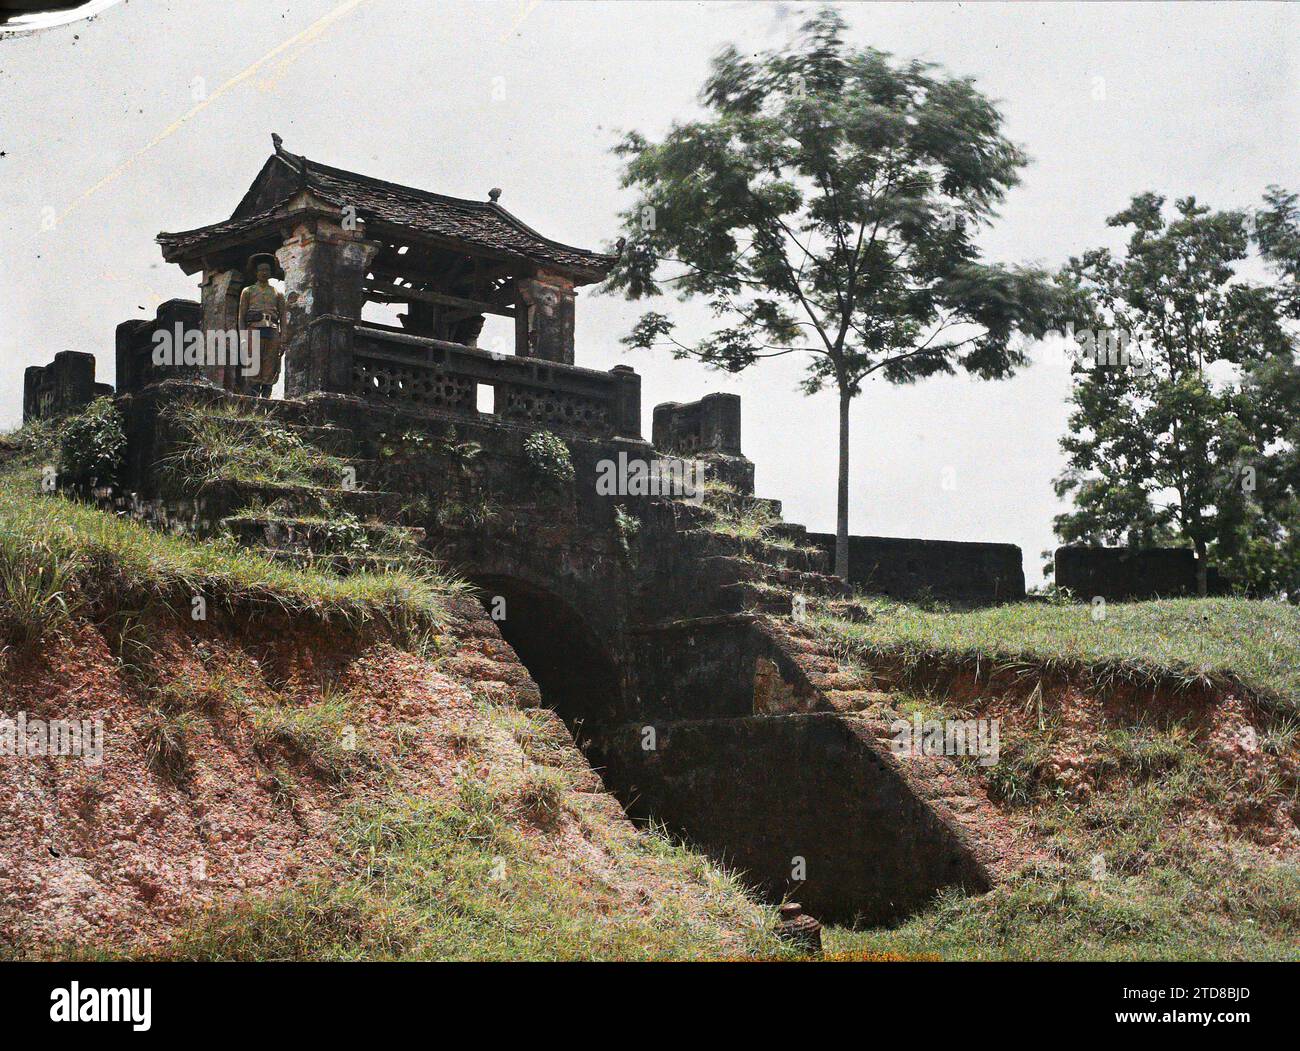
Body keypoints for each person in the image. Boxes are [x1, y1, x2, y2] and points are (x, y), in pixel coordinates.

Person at [238, 255, 287, 397]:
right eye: (261, 270)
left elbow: (283, 317)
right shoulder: (248, 291)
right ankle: (253, 399)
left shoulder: (278, 293)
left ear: (270, 273)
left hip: (272, 331)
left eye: (267, 270)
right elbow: (241, 316)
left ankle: (266, 399)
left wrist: (283, 338)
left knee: (271, 364)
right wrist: (243, 338)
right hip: (254, 330)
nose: (264, 273)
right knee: (253, 364)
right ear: (256, 272)